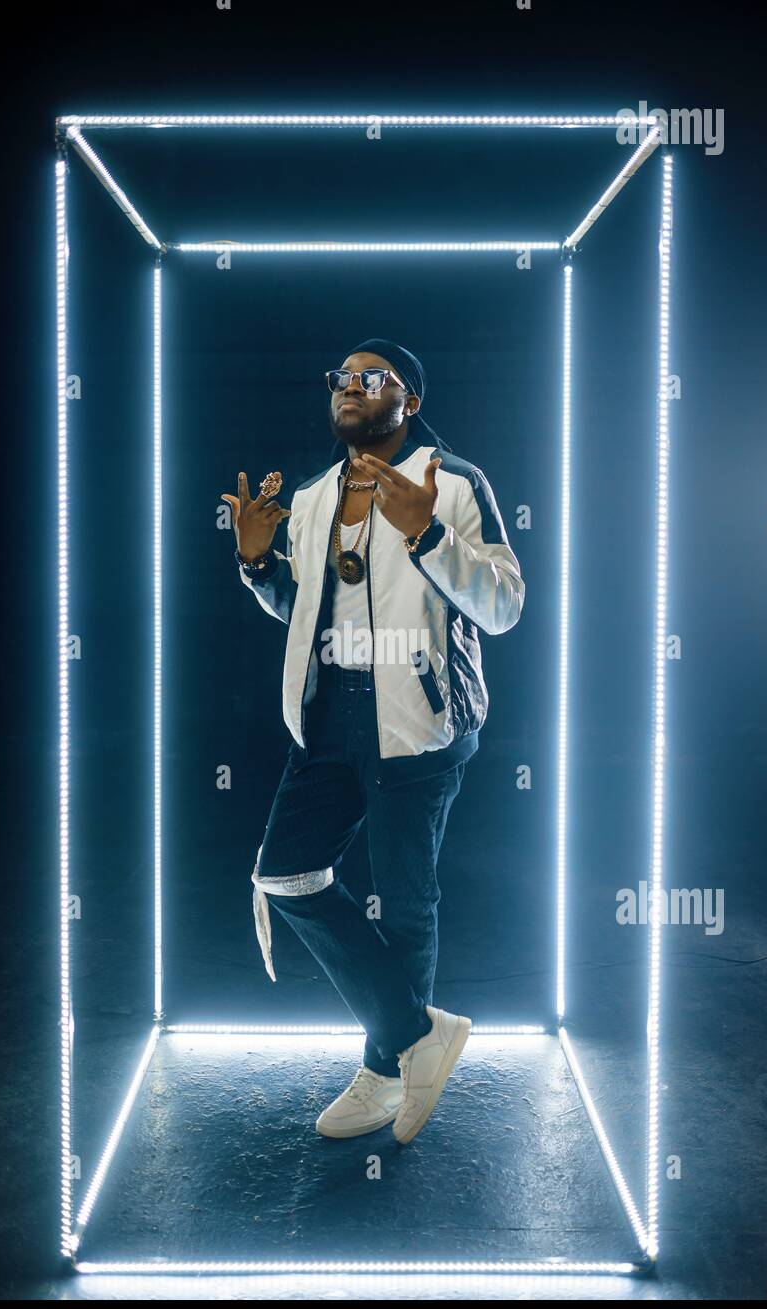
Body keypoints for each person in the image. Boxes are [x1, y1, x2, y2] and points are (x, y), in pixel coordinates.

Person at [221, 338, 525, 1144]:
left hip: (421, 723)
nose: (349, 389)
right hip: (328, 720)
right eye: (339, 380)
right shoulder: (317, 494)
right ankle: (419, 1036)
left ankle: (383, 1072)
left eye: (370, 378)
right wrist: (259, 567)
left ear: (408, 401)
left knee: (405, 903)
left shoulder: (453, 483)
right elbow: (307, 612)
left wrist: (427, 536)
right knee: (285, 873)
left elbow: (502, 605)